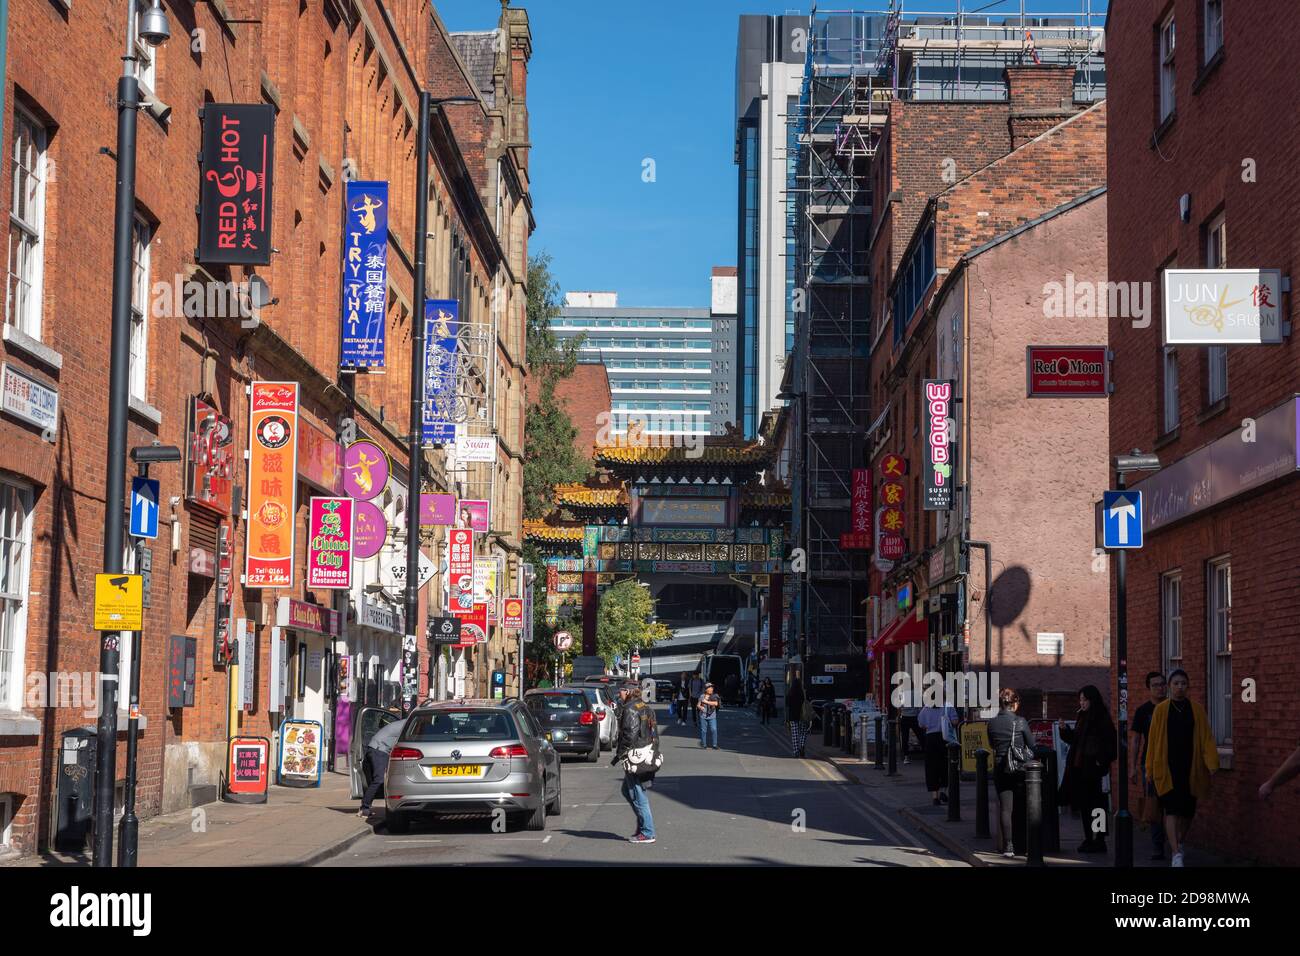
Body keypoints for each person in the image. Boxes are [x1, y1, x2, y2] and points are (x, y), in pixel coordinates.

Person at [1146, 669, 1218, 867]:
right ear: (1169, 686)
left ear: (1188, 686)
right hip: (1167, 768)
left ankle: (1178, 841)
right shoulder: (1161, 710)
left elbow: (1206, 738)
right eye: (1176, 683)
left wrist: (1212, 763)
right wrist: (1149, 769)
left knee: (1187, 812)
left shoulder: (1196, 710)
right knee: (1171, 810)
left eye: (1183, 683)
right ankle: (1176, 853)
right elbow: (1152, 742)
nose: (1180, 687)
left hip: (1190, 768)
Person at [1060, 684, 1117, 855]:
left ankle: (1098, 840)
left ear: (1093, 700)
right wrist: (1065, 731)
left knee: (1097, 807)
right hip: (1079, 769)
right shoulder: (1082, 717)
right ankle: (1088, 838)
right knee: (1084, 806)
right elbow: (1076, 741)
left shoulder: (1101, 718)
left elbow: (1111, 744)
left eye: (1085, 700)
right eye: (1080, 699)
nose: (1082, 703)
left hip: (1092, 770)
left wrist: (1102, 762)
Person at [987, 687, 1034, 858]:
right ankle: (1022, 845)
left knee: (1005, 809)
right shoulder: (1020, 722)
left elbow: (992, 744)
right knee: (1021, 807)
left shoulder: (991, 723)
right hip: (1019, 768)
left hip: (1000, 767)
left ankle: (1008, 847)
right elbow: (1032, 745)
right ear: (1014, 703)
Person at [1130, 671, 1168, 860]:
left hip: (1173, 764)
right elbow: (1136, 740)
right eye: (1155, 685)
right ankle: (1158, 846)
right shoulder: (1143, 711)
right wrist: (1133, 767)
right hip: (1150, 765)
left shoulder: (1173, 707)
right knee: (1154, 806)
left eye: (1162, 684)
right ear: (1149, 688)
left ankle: (1174, 842)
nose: (1160, 688)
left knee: (1173, 806)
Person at [614, 685, 657, 844]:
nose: (619, 693)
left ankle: (647, 832)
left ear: (628, 692)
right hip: (646, 754)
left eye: (621, 690)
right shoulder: (645, 706)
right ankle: (643, 826)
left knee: (638, 794)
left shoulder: (630, 708)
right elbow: (654, 733)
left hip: (635, 757)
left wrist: (620, 754)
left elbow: (630, 734)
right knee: (627, 790)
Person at [359, 713, 407, 819]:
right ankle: (364, 808)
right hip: (379, 749)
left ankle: (367, 807)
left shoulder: (405, 723)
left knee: (380, 780)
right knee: (379, 779)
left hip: (378, 748)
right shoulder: (408, 725)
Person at [917, 701, 959, 805]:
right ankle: (943, 792)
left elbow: (921, 724)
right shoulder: (948, 706)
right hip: (944, 738)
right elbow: (955, 722)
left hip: (930, 739)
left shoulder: (926, 708)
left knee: (931, 767)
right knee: (945, 765)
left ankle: (935, 797)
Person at [787, 679, 810, 757]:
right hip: (802, 715)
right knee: (803, 732)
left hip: (793, 716)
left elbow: (787, 704)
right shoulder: (802, 693)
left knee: (795, 734)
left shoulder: (790, 693)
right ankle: (802, 745)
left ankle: (796, 751)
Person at [697, 682, 721, 749]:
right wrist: (700, 707)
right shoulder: (702, 696)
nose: (711, 689)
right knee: (703, 730)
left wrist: (706, 702)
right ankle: (704, 744)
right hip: (703, 716)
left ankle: (714, 745)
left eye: (712, 687)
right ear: (706, 689)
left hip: (712, 716)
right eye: (710, 687)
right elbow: (698, 704)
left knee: (714, 729)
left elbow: (716, 704)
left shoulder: (714, 696)